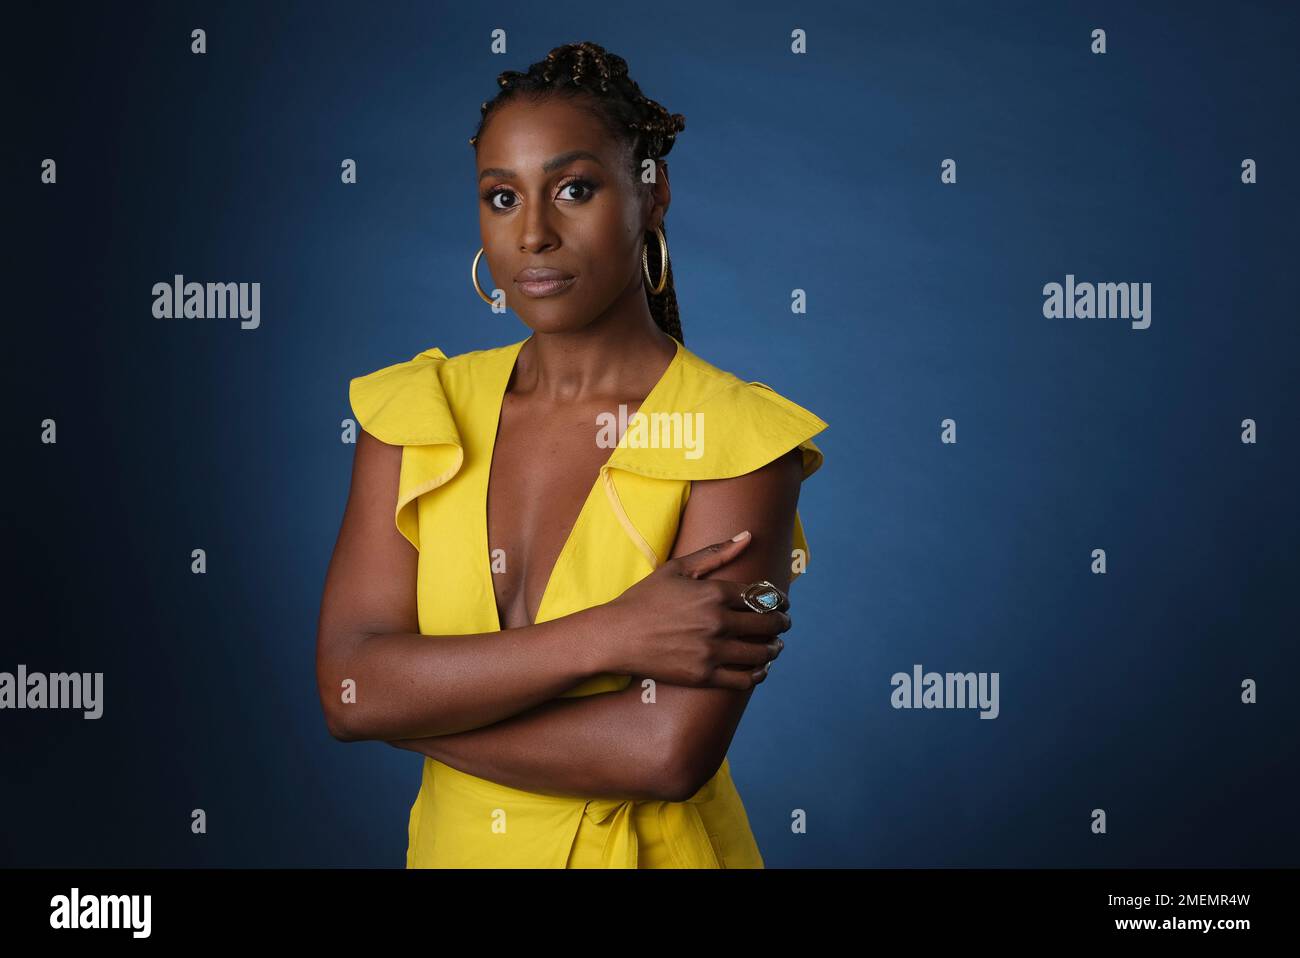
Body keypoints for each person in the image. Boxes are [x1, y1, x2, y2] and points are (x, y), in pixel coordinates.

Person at [317, 41, 828, 868]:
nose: (534, 235)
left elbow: (665, 753)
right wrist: (609, 636)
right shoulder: (413, 413)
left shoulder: (741, 444)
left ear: (651, 195)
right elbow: (349, 690)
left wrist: (413, 712)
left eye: (574, 190)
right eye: (501, 197)